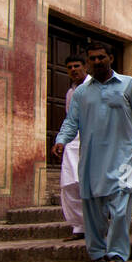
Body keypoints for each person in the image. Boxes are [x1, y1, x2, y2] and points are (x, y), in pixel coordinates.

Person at [54, 41, 132, 262]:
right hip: (92, 160)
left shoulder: (128, 85)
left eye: (101, 57)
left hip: (122, 158)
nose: (97, 62)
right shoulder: (82, 93)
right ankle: (97, 252)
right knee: (93, 210)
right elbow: (71, 121)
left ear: (111, 58)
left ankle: (117, 254)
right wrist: (60, 140)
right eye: (92, 59)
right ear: (88, 62)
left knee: (119, 209)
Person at [51, 54, 89, 242]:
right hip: (74, 142)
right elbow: (70, 119)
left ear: (85, 67)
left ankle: (99, 224)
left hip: (94, 140)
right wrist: (61, 140)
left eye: (77, 66)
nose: (73, 70)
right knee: (70, 184)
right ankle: (79, 225)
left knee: (91, 184)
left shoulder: (97, 87)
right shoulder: (70, 93)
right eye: (70, 67)